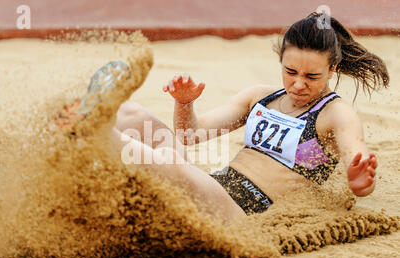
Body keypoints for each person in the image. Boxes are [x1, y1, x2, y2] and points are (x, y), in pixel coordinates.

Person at [57, 13, 389, 221]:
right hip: (214, 186)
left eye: (312, 76)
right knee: (132, 114)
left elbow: (355, 160)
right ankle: (80, 136)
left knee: (172, 166)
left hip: (246, 211)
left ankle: (94, 131)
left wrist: (359, 180)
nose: (299, 84)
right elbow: (190, 136)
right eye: (290, 71)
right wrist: (184, 104)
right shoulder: (261, 97)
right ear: (281, 62)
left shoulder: (336, 114)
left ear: (332, 69)